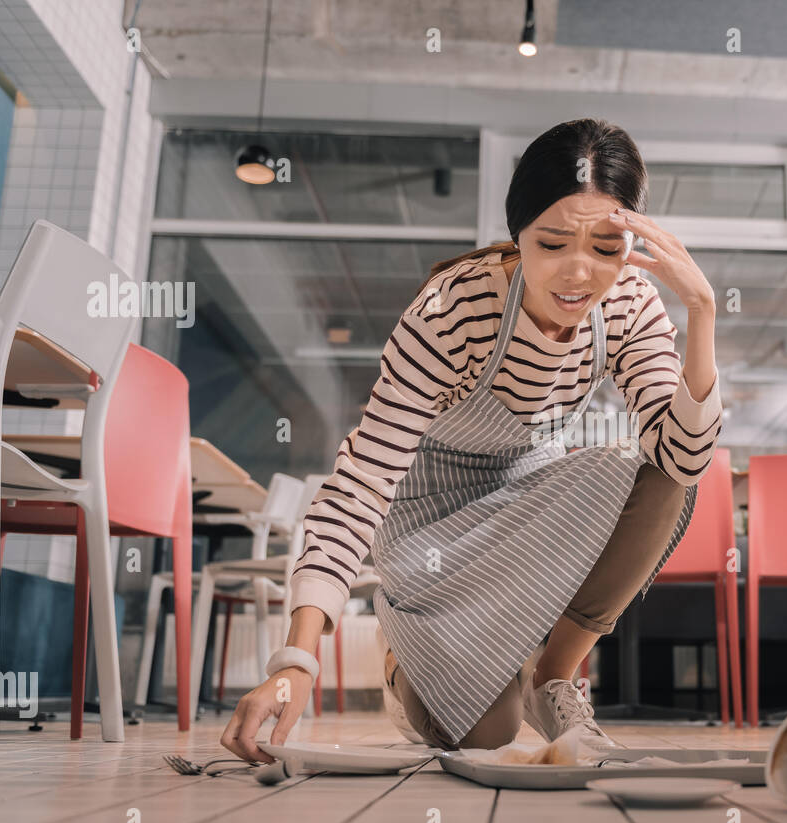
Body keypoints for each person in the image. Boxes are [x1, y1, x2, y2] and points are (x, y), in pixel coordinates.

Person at [222, 117, 722, 761]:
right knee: (485, 735)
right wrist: (296, 661)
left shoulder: (631, 304)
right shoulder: (451, 312)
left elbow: (686, 455)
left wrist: (703, 313)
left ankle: (553, 676)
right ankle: (407, 659)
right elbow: (359, 486)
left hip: (527, 496)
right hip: (429, 518)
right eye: (552, 243)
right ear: (519, 236)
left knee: (659, 474)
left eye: (605, 247)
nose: (578, 274)